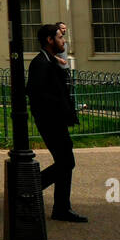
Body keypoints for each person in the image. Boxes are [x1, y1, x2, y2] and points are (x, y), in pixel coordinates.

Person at [26, 23, 86, 222]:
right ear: (49, 40)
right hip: (50, 121)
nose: (64, 41)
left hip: (56, 120)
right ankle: (29, 190)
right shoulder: (40, 63)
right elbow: (37, 94)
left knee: (65, 162)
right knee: (66, 162)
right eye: (60, 37)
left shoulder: (51, 61)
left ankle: (61, 207)